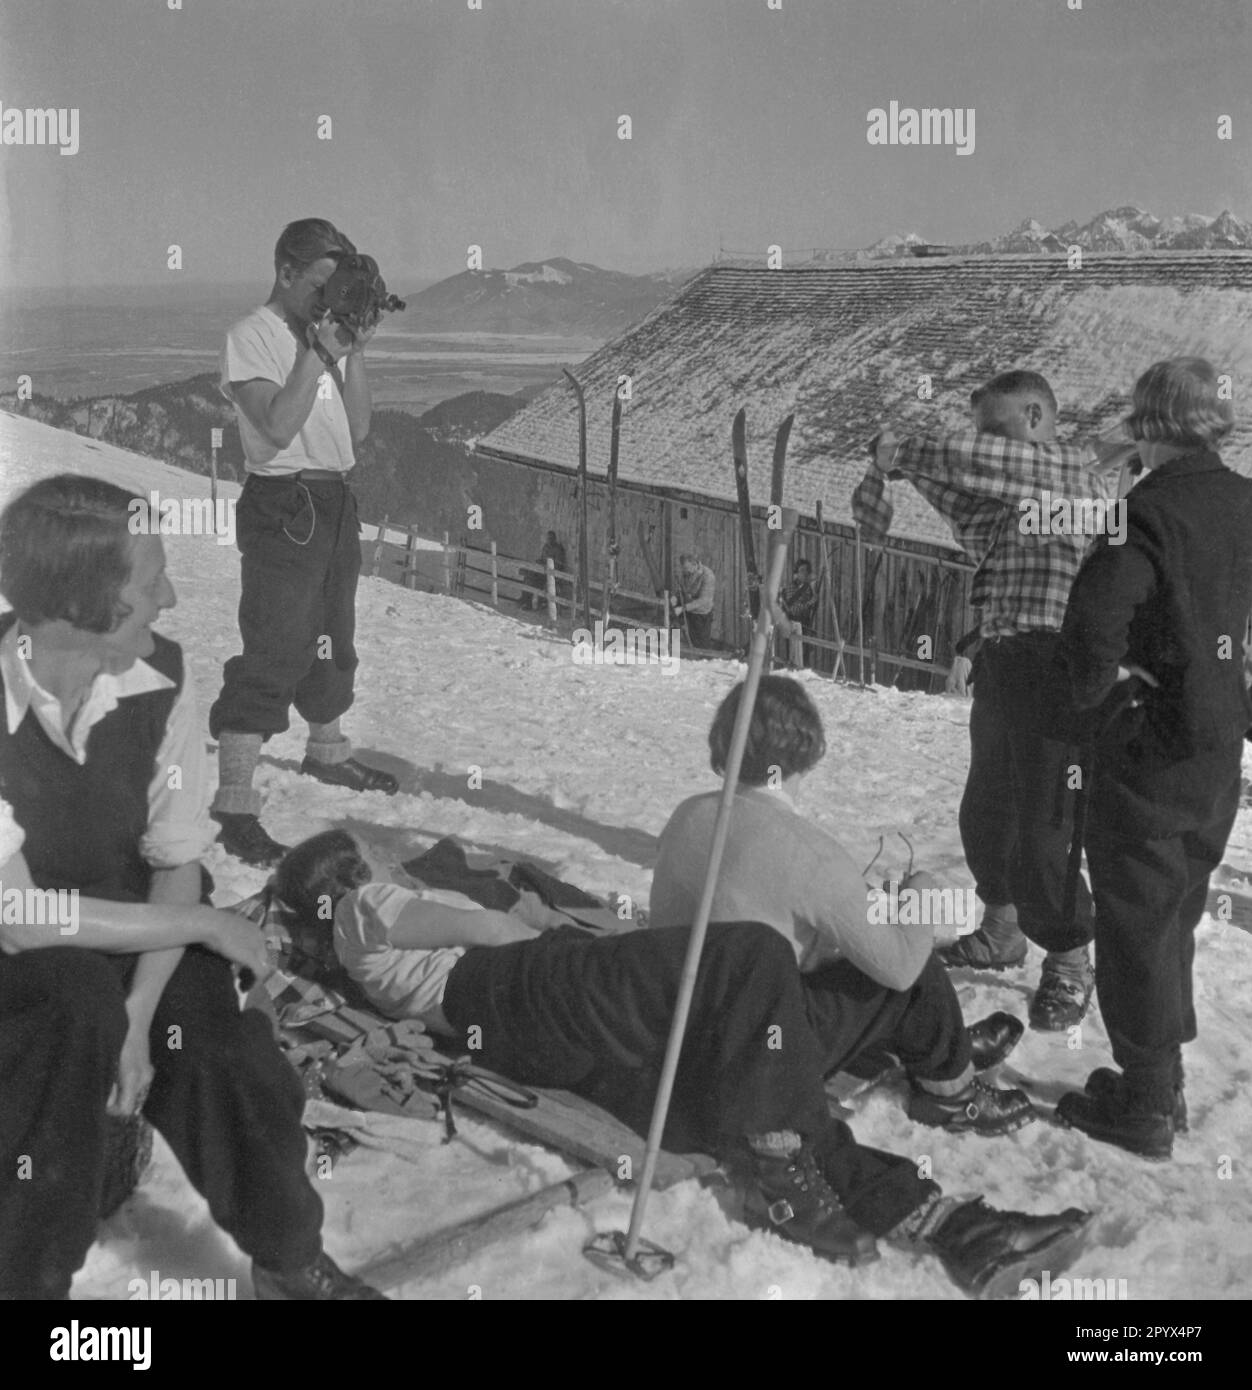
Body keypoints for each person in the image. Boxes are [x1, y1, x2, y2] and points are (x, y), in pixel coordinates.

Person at [274, 828, 1095, 1298]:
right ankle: (848, 1155)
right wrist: (578, 942)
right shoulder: (358, 908)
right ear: (343, 877)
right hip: (505, 989)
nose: (382, 857)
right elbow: (493, 935)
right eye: (366, 854)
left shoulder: (364, 917)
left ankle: (947, 1199)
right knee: (750, 957)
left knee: (814, 1016)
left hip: (538, 1003)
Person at [0, 474, 384, 1301]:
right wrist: (206, 928)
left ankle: (287, 1261)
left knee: (221, 1045)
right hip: (21, 960)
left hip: (139, 929)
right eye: (149, 584)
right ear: (81, 603)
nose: (169, 598)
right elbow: (21, 919)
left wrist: (140, 1017)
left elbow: (175, 857)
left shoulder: (162, 680)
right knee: (72, 1007)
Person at [853, 369, 1136, 1031]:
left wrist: (904, 450)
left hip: (1061, 671)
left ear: (1038, 417)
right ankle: (1003, 931)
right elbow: (968, 488)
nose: (984, 441)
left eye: (998, 426)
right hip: (1006, 664)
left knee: (1046, 833)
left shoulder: (1070, 476)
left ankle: (1069, 961)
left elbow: (978, 462)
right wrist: (893, 473)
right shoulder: (1012, 496)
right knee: (987, 814)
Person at [649, 674, 1033, 1135]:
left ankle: (940, 1046)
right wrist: (922, 895)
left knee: (852, 960)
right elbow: (900, 969)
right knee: (912, 977)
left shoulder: (688, 815)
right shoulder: (807, 852)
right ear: (808, 749)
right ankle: (953, 1094)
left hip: (680, 1027)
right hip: (756, 1056)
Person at [1054, 359, 1252, 1158]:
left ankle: (1143, 1102)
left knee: (1135, 915)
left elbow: (1096, 618)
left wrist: (1096, 694)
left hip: (1150, 745)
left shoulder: (1146, 514)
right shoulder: (1244, 501)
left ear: (1150, 425)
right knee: (1175, 911)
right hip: (1216, 747)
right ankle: (1159, 1080)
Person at [208, 218, 398, 871]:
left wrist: (356, 349)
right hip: (283, 502)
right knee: (274, 647)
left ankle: (327, 751)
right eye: (320, 285)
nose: (327, 299)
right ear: (285, 272)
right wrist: (318, 353)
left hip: (334, 499)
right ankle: (234, 805)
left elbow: (359, 427)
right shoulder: (251, 337)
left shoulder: (320, 336)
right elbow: (276, 427)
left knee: (332, 634)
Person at [779, 558, 818, 667]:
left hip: (805, 625)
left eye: (807, 570)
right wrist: (810, 603)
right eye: (802, 570)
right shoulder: (792, 587)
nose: (805, 573)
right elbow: (794, 609)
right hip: (793, 625)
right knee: (794, 658)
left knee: (804, 658)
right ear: (796, 573)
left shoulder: (809, 588)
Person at [672, 552, 716, 648]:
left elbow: (703, 600)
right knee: (688, 637)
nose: (685, 571)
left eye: (687, 568)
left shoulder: (708, 576)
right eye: (683, 568)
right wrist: (676, 597)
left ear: (695, 564)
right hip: (688, 609)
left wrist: (682, 608)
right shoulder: (686, 572)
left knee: (701, 645)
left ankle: (703, 661)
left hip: (701, 613)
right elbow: (682, 589)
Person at [519, 530, 567, 611]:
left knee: (534, 580)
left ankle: (530, 603)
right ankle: (525, 600)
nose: (549, 540)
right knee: (528, 577)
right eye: (548, 538)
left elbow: (559, 565)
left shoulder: (558, 549)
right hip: (542, 571)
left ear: (554, 539)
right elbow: (542, 558)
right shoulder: (545, 547)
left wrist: (547, 565)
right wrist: (538, 561)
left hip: (551, 574)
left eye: (551, 538)